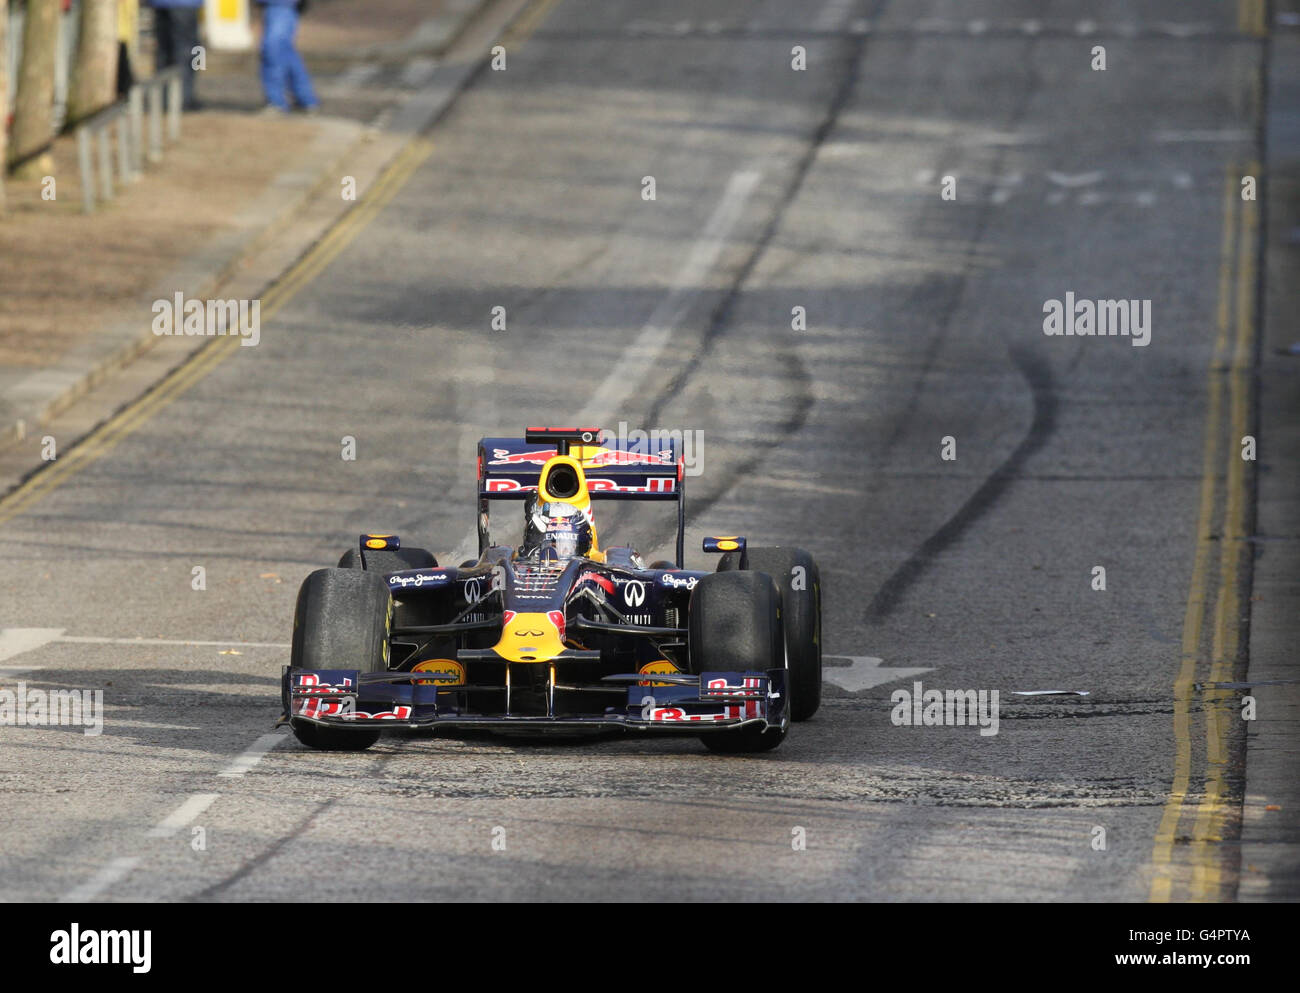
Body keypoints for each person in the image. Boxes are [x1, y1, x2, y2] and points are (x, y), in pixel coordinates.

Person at [257, 0, 319, 113]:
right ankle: (305, 99)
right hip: (281, 6)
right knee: (286, 53)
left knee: (273, 51)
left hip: (280, 5)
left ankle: (276, 102)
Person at [144, 0, 202, 111]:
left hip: (159, 4)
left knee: (163, 51)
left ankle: (162, 99)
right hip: (185, 4)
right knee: (188, 51)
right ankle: (184, 98)